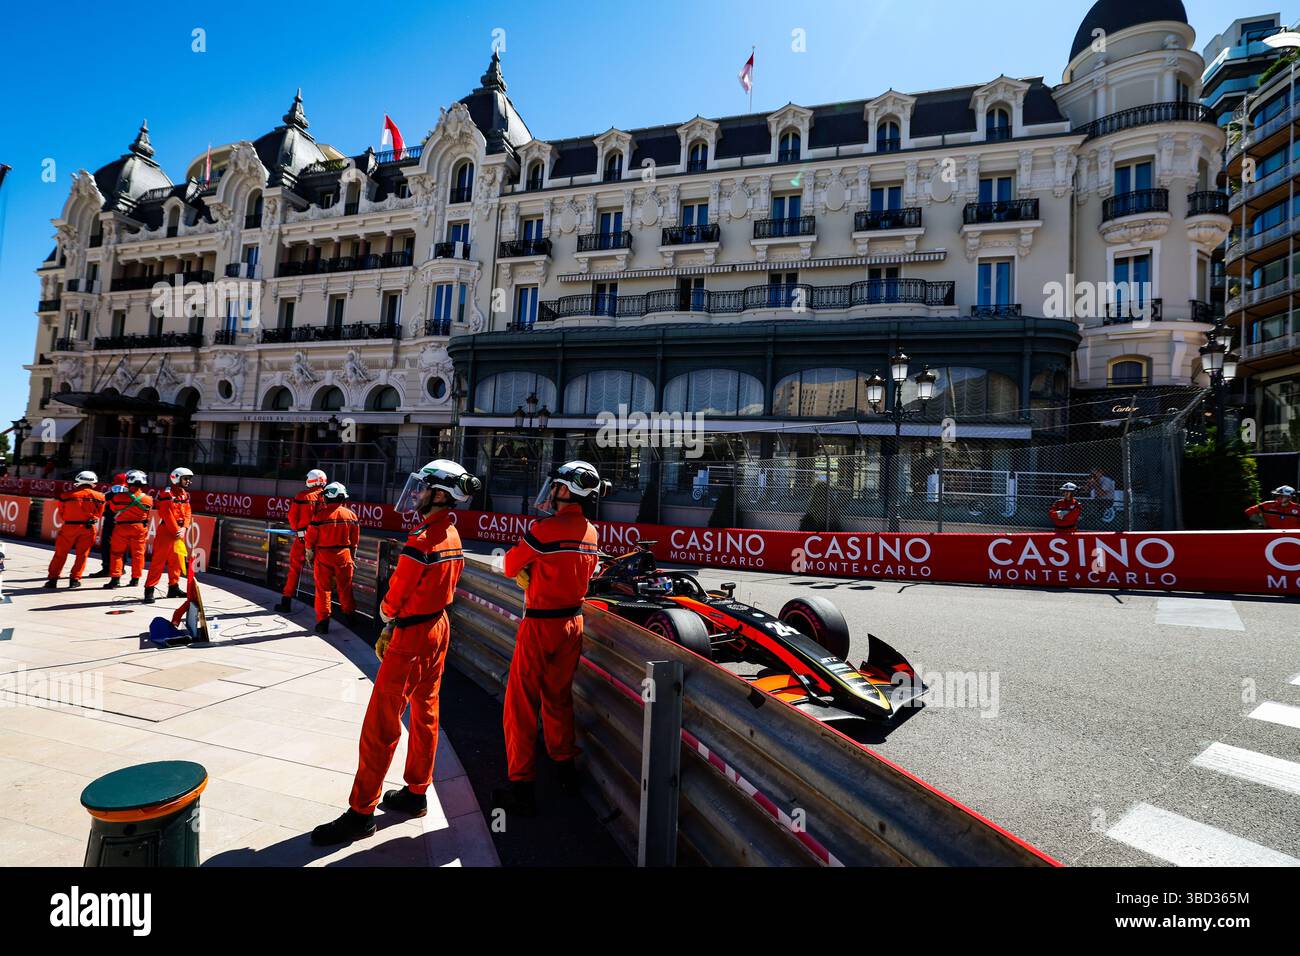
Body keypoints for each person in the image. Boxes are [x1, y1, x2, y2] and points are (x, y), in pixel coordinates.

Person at [311, 460, 478, 846]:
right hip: (439, 628)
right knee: (426, 712)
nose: (417, 494)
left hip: (412, 635)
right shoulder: (451, 533)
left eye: (424, 489)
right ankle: (417, 792)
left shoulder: (420, 542)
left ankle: (360, 813)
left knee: (381, 725)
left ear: (440, 495)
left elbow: (394, 598)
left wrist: (388, 620)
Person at [493, 460, 608, 816]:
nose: (552, 492)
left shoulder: (543, 530)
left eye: (556, 486)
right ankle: (565, 771)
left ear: (564, 490)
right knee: (558, 699)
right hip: (574, 623)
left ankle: (522, 787)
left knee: (521, 704)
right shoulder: (591, 531)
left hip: (540, 624)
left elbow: (509, 565)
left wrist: (527, 570)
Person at [304, 482, 359, 634]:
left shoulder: (319, 516)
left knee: (323, 590)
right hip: (344, 556)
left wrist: (309, 553)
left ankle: (323, 622)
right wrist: (352, 557)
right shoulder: (351, 515)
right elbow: (354, 541)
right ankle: (350, 616)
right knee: (345, 587)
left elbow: (310, 539)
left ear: (327, 498)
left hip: (324, 556)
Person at [276, 469, 327, 613]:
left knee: (294, 570)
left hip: (302, 539)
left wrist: (298, 531)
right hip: (320, 542)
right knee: (322, 575)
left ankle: (286, 602)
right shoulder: (327, 497)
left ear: (312, 480)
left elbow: (292, 516)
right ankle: (323, 611)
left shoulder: (301, 496)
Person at [44, 471, 105, 589]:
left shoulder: (66, 495)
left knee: (60, 554)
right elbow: (99, 513)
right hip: (88, 528)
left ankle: (52, 580)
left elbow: (61, 513)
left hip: (69, 527)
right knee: (82, 555)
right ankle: (75, 580)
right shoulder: (100, 496)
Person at [143, 467, 194, 604]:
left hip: (179, 532)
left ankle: (173, 587)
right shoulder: (167, 493)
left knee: (177, 561)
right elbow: (166, 514)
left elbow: (188, 512)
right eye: (185, 478)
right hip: (167, 531)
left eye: (189, 479)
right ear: (176, 478)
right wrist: (178, 530)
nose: (188, 481)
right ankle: (149, 589)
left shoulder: (184, 494)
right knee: (158, 562)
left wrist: (184, 528)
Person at [104, 471, 152, 589]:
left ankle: (115, 579)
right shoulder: (148, 499)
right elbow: (148, 513)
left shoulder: (118, 497)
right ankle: (135, 579)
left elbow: (113, 508)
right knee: (138, 554)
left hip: (121, 527)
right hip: (140, 528)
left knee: (117, 553)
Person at [91, 473, 128, 577]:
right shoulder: (131, 494)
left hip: (110, 522)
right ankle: (122, 568)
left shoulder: (110, 493)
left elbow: (101, 503)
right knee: (123, 546)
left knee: (107, 545)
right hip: (125, 523)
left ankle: (107, 568)